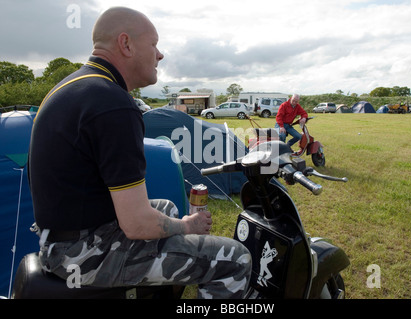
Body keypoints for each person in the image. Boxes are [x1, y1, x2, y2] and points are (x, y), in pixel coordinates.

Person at [28, 7, 251, 299]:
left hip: (62, 236)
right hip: (81, 254)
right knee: (236, 259)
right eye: (154, 44)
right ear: (126, 44)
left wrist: (177, 224)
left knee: (168, 209)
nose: (160, 55)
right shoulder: (112, 103)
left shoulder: (76, 86)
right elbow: (136, 224)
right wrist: (187, 226)